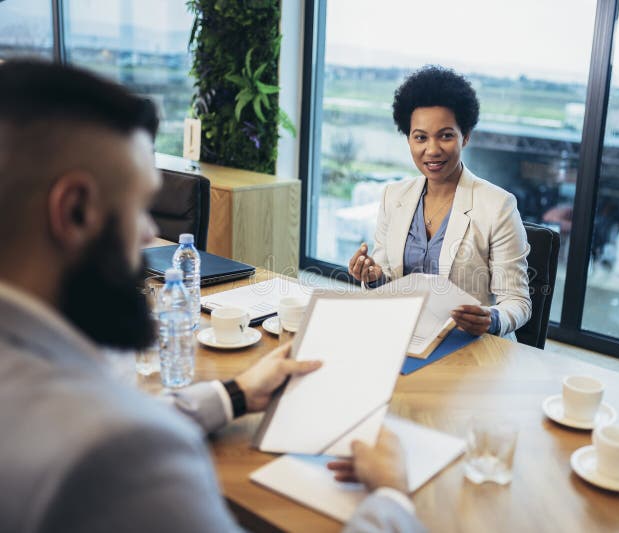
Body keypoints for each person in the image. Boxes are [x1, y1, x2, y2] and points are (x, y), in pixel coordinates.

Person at [0, 60, 423, 533]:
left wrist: (235, 394)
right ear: (74, 211)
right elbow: (111, 436)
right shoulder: (121, 454)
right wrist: (393, 498)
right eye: (138, 209)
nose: (147, 235)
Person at [348, 66, 531, 338]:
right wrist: (374, 278)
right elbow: (388, 280)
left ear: (465, 136)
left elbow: (518, 301)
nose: (432, 150)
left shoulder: (499, 206)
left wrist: (491, 319)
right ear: (408, 139)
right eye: (420, 137)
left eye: (446, 135)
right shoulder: (393, 196)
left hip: (468, 344)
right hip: (405, 335)